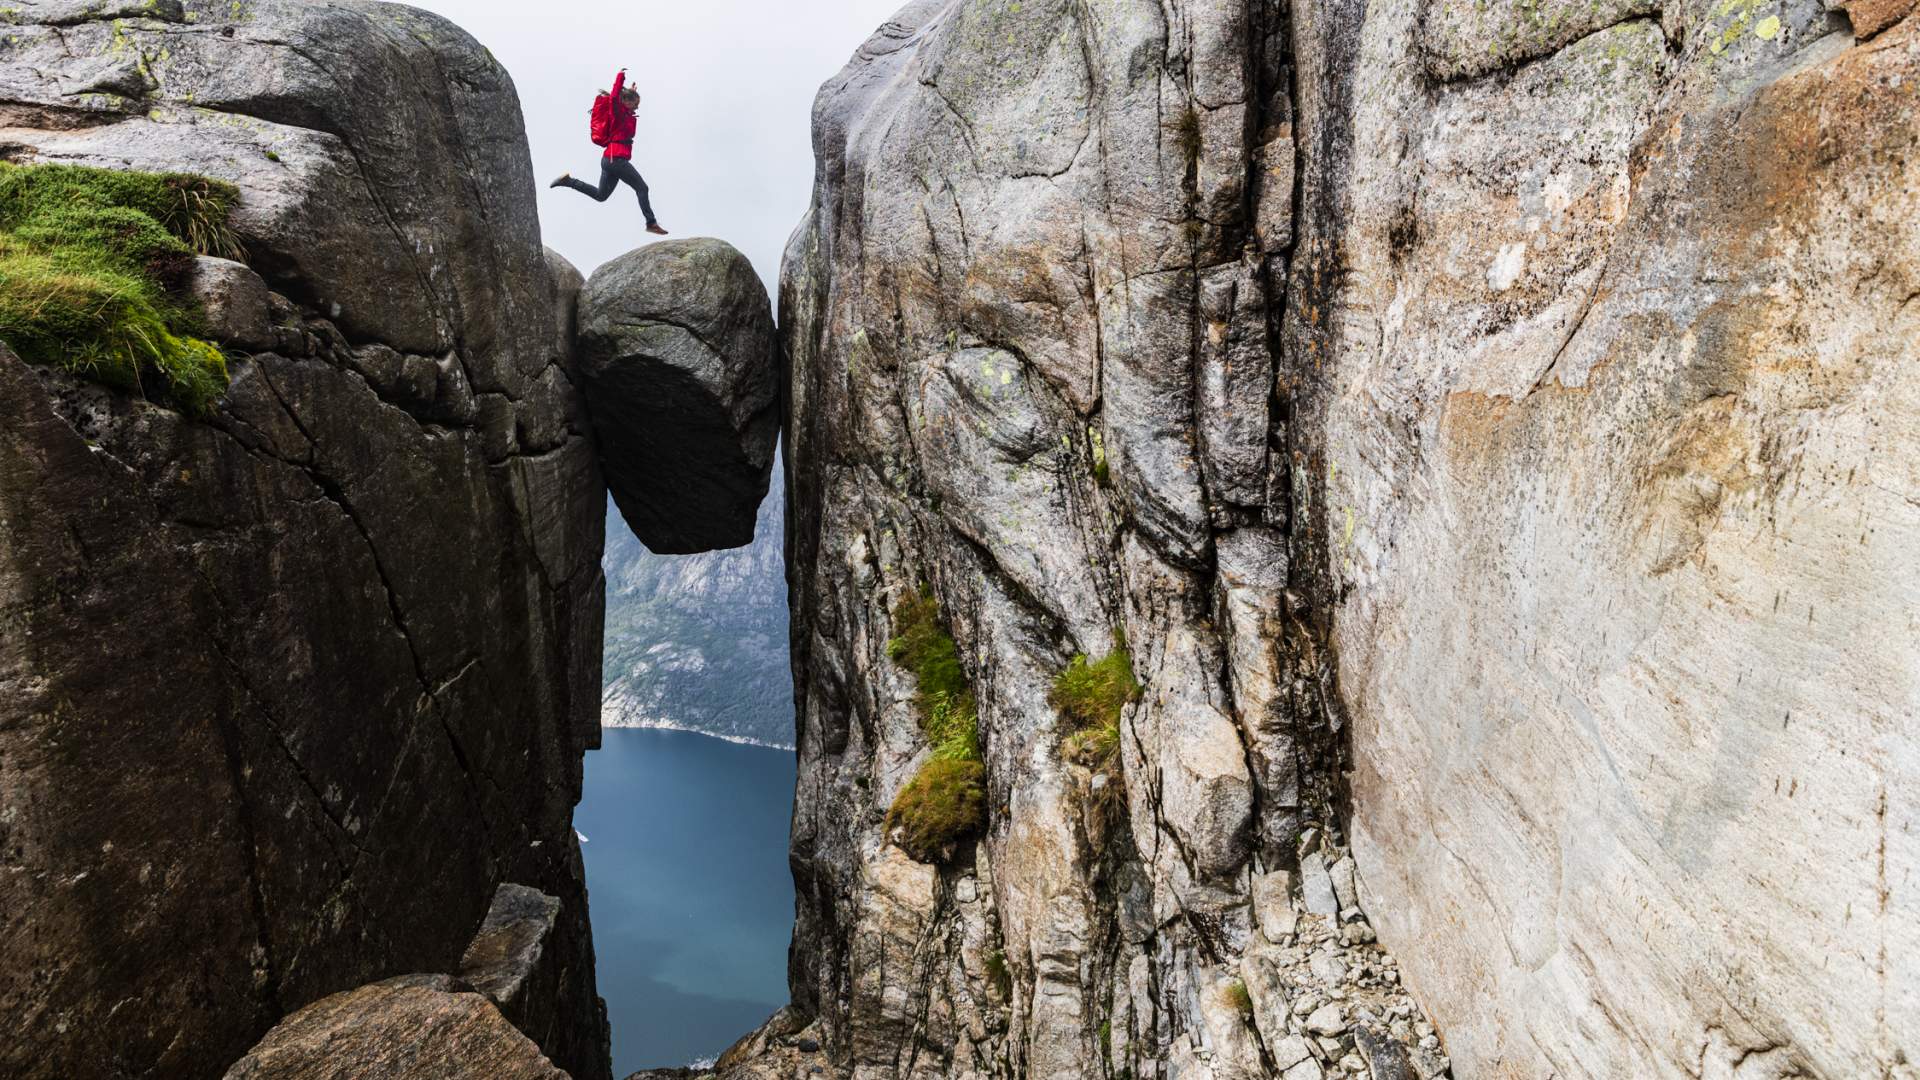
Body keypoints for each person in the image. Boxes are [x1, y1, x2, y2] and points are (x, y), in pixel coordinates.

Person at [551, 68, 668, 236]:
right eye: (635, 104)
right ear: (626, 102)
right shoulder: (618, 113)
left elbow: (622, 101)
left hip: (610, 160)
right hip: (616, 159)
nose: (637, 107)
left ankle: (568, 181)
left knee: (601, 195)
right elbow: (614, 98)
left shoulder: (626, 114)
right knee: (642, 188)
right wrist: (620, 77)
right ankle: (651, 223)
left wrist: (631, 92)